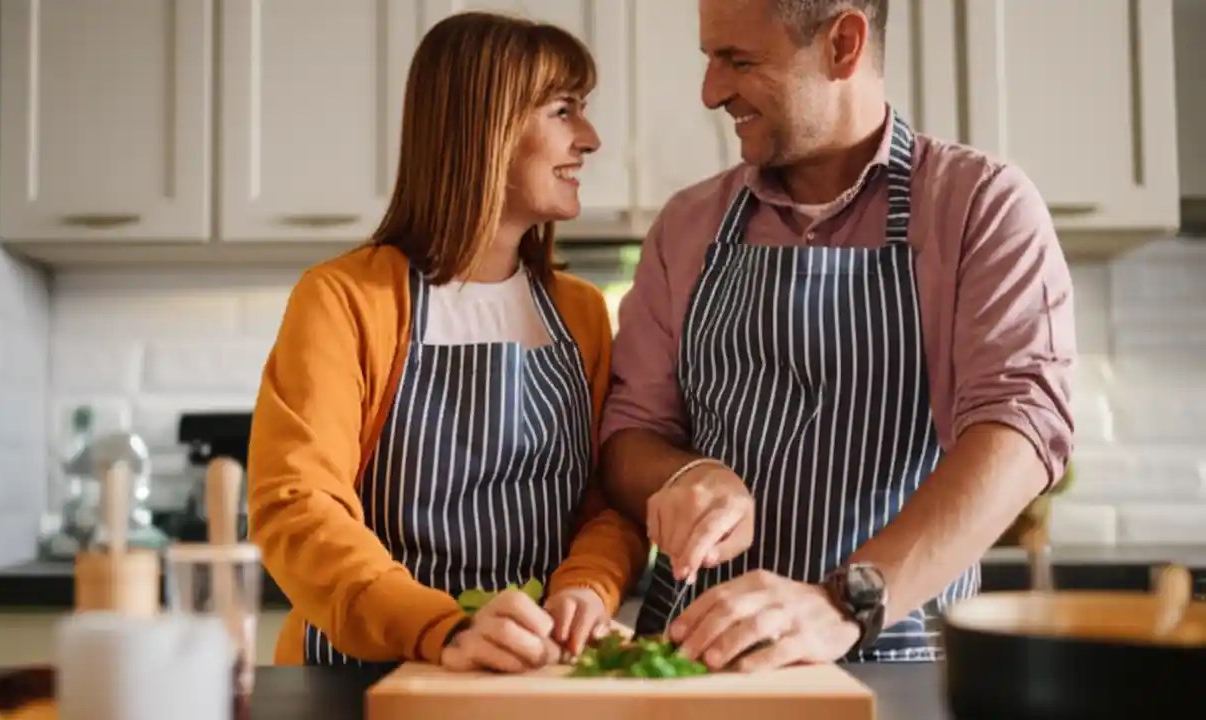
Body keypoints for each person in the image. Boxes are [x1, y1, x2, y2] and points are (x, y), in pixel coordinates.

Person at [600, 0, 1076, 669]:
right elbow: (627, 436)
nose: (711, 92)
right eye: (709, 58)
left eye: (738, 60)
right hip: (691, 665)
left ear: (843, 44)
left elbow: (1020, 428)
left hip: (896, 666)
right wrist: (688, 472)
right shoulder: (687, 225)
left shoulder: (979, 206)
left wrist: (845, 603)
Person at [246, 11, 648, 677]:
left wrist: (588, 585)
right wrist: (440, 626)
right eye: (563, 110)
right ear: (485, 126)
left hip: (534, 669)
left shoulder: (580, 315)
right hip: (358, 676)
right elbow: (297, 506)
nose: (590, 138)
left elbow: (607, 505)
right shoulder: (344, 300)